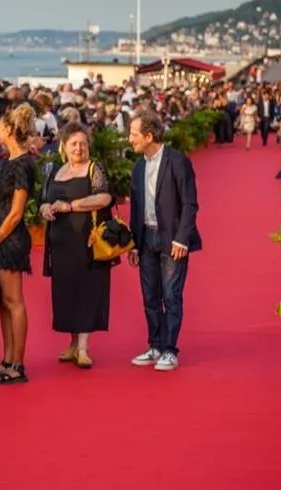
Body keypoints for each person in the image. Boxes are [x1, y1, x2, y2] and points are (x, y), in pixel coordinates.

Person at [127, 111, 200, 372]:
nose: (129, 139)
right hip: (146, 237)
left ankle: (170, 349)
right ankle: (155, 345)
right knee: (150, 296)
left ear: (149, 136)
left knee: (171, 295)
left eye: (134, 134)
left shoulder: (177, 161)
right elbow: (136, 208)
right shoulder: (138, 168)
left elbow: (190, 204)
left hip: (172, 240)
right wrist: (134, 243)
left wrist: (182, 239)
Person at [38, 122, 114, 369]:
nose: (79, 148)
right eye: (73, 144)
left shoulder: (94, 169)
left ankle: (83, 348)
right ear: (63, 146)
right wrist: (46, 209)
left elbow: (104, 198)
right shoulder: (55, 171)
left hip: (88, 242)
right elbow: (42, 201)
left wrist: (71, 206)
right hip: (60, 245)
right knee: (66, 292)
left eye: (83, 143)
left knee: (87, 290)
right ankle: (72, 344)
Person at [0, 103, 37, 385]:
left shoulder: (23, 164)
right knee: (3, 302)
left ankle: (18, 364)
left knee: (14, 302)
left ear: (10, 130)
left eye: (1, 127)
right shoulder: (9, 162)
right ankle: (6, 359)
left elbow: (15, 213)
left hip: (11, 241)